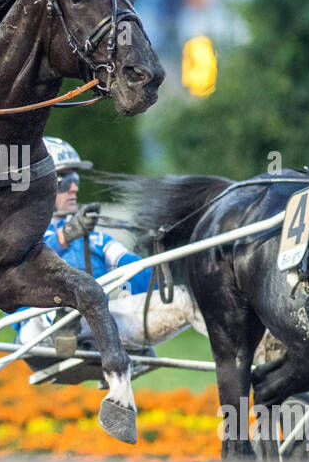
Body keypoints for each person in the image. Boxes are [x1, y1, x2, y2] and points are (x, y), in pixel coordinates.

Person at [16, 137, 203, 351]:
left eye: (76, 178)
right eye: (66, 180)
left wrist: (166, 268)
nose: (75, 188)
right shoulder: (24, 233)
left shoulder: (94, 237)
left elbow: (130, 265)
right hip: (37, 325)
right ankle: (68, 327)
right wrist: (66, 236)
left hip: (91, 319)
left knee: (184, 297)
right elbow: (24, 263)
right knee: (68, 300)